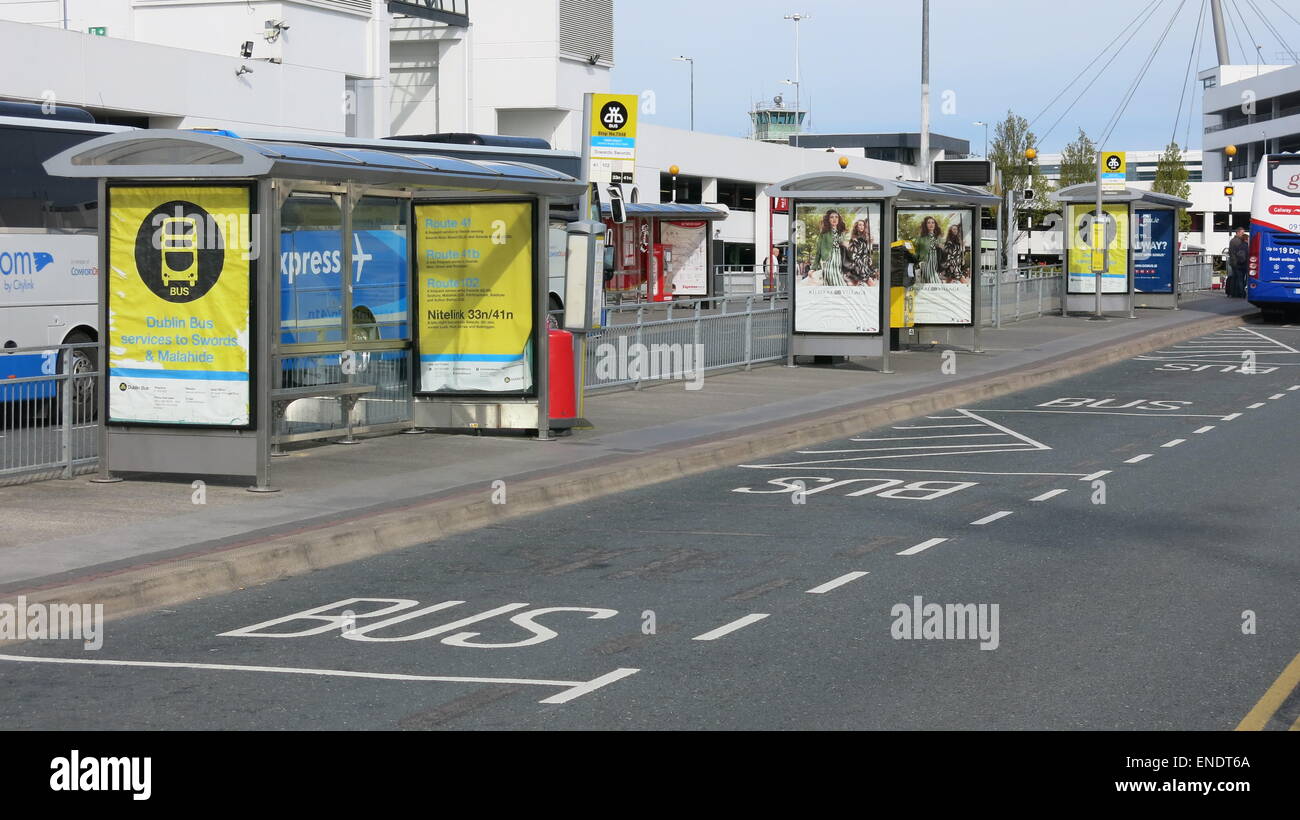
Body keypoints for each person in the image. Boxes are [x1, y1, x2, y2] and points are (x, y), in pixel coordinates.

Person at [809, 209, 849, 286]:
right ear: (828, 219)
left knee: (839, 281)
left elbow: (846, 248)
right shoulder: (824, 233)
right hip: (829, 260)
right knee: (831, 279)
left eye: (836, 217)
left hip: (839, 260)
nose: (834, 219)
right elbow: (818, 251)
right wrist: (813, 268)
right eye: (831, 217)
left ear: (839, 219)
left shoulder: (842, 233)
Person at [844, 218, 878, 286]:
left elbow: (870, 250)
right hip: (859, 264)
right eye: (860, 225)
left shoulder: (865, 238)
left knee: (854, 283)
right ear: (856, 227)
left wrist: (869, 257)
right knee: (870, 282)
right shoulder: (854, 239)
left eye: (863, 225)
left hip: (865, 263)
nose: (862, 226)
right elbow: (854, 254)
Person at [913, 215, 943, 284]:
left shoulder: (938, 237)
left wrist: (941, 247)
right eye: (928, 223)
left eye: (933, 222)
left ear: (935, 225)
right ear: (925, 225)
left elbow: (943, 251)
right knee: (933, 280)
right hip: (926, 261)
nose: (931, 224)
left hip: (935, 261)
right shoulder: (921, 238)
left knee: (928, 281)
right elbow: (917, 251)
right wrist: (917, 262)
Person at [1227, 227, 1248, 298]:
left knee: (1235, 278)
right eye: (1242, 233)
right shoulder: (1238, 242)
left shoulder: (1233, 241)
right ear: (1238, 232)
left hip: (1235, 262)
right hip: (1238, 263)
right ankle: (1240, 292)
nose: (1243, 234)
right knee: (1240, 279)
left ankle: (1234, 293)